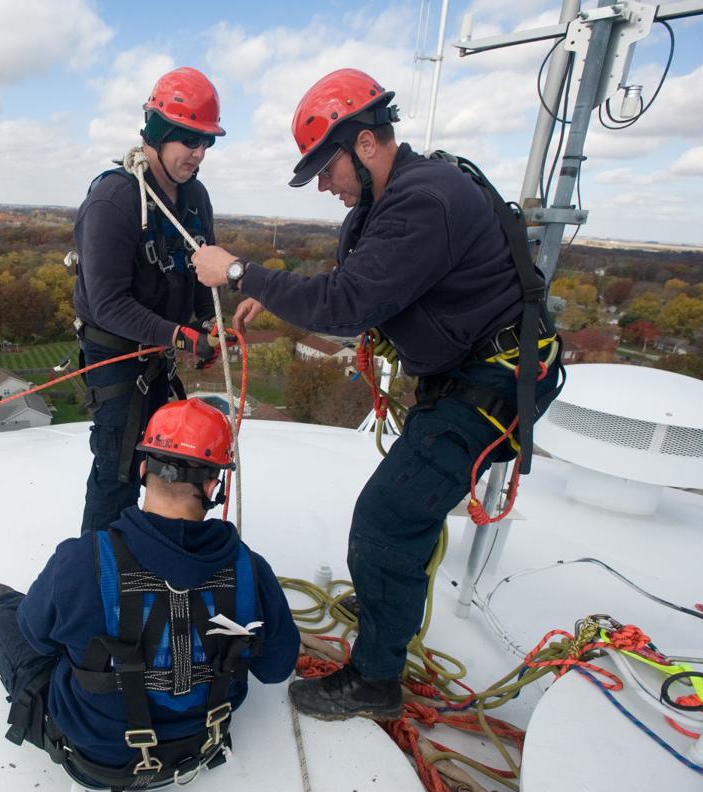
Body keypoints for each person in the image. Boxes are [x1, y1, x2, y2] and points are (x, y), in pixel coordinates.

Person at [192, 68, 562, 720]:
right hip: (463, 376)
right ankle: (391, 604)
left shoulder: (427, 200)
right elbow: (356, 281)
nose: (323, 186)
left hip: (491, 385)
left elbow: (345, 301)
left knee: (385, 523)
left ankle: (374, 680)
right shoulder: (382, 206)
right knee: (401, 517)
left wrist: (241, 270)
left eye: (325, 169)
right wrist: (270, 294)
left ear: (365, 144)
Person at [0, 398, 299, 792]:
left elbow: (36, 636)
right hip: (199, 748)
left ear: (143, 468)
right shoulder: (251, 570)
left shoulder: (81, 559)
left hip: (96, 762)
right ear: (212, 484)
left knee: (5, 617)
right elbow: (276, 668)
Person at [72, 66, 227, 535]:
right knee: (118, 468)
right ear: (158, 135)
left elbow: (201, 269)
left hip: (160, 351)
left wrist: (207, 321)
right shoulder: (113, 202)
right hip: (116, 355)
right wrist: (180, 335)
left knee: (159, 464)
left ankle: (139, 553)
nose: (199, 154)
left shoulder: (194, 197)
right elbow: (107, 304)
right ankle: (94, 574)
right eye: (189, 141)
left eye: (207, 143)